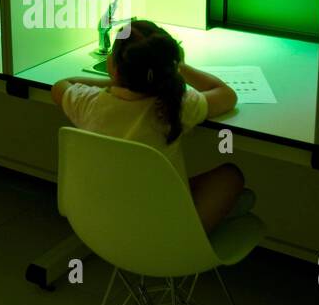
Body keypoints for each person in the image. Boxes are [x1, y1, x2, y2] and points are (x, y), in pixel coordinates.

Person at [51, 19, 255, 232]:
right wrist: (178, 66)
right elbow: (226, 95)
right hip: (163, 229)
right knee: (231, 175)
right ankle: (190, 236)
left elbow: (61, 85)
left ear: (113, 66)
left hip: (100, 224)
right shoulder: (176, 105)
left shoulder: (89, 103)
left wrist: (115, 83)